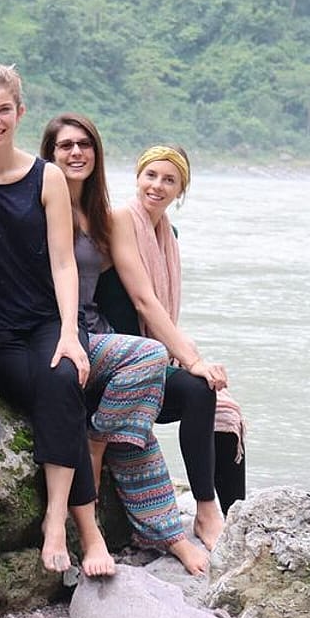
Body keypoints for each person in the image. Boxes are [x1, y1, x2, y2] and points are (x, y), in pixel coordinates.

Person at [0, 64, 114, 576]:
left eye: (3, 110)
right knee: (59, 396)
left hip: (46, 318)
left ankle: (55, 521)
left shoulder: (46, 176)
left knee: (63, 375)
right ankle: (88, 534)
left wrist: (71, 333)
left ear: (20, 113)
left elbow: (63, 261)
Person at [43, 113, 209, 573]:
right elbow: (142, 298)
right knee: (150, 360)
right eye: (65, 147)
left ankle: (173, 535)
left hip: (97, 336)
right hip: (54, 332)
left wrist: (192, 359)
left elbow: (142, 291)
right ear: (50, 155)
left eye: (85, 146)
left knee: (137, 426)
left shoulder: (101, 217)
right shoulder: (37, 202)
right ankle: (102, 449)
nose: (76, 153)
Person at [97, 144, 247, 524]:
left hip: (154, 354)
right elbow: (145, 302)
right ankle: (205, 509)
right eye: (151, 175)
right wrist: (193, 360)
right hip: (119, 361)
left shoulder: (168, 233)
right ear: (137, 177)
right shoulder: (118, 219)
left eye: (169, 180)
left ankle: (235, 517)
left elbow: (162, 311)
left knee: (222, 405)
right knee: (198, 388)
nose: (157, 186)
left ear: (180, 190)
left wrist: (187, 354)